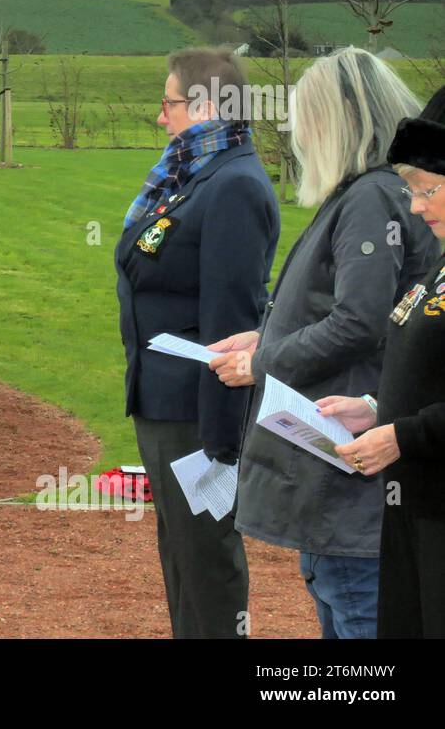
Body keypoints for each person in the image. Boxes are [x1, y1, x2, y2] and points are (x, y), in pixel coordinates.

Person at [207, 48, 432, 639]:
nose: (295, 131)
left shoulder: (372, 197)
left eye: (306, 116)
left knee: (356, 613)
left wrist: (263, 361)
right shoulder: (365, 193)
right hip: (334, 468)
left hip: (347, 465)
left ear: (339, 122)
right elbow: (336, 304)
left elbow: (360, 321)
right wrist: (268, 333)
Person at [115, 47, 280, 638]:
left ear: (207, 105)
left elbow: (231, 319)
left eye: (169, 103)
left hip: (196, 411)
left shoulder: (233, 185)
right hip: (163, 400)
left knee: (206, 561)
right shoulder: (192, 173)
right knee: (182, 554)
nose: (161, 117)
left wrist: (219, 440)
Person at [322, 87, 445, 638]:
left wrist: (406, 435)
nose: (416, 208)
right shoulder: (440, 263)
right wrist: (377, 409)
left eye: (428, 191)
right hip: (414, 508)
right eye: (411, 192)